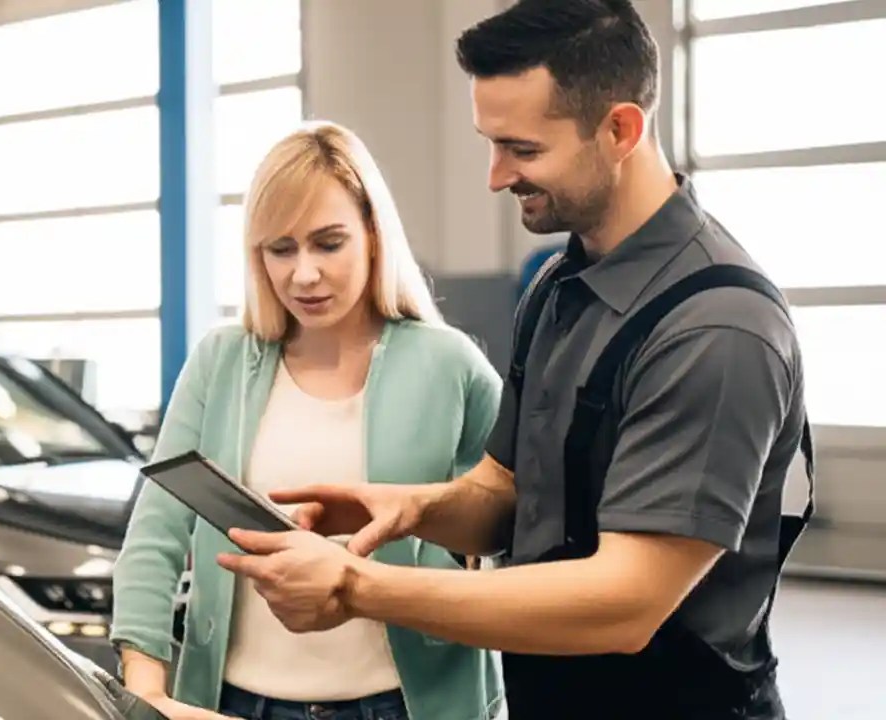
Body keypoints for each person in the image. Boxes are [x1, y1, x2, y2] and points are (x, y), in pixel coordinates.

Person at [215, 2, 813, 719]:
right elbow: (507, 495)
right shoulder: (559, 289)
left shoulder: (718, 329)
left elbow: (624, 604)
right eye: (490, 144)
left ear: (621, 129)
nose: (497, 176)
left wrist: (355, 587)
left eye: (523, 150)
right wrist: (408, 508)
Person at [109, 121, 506, 720]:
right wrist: (146, 692)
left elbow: (507, 534)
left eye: (328, 242)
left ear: (373, 234)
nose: (304, 275)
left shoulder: (450, 365)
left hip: (404, 706)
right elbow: (156, 532)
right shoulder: (221, 362)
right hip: (233, 704)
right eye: (281, 248)